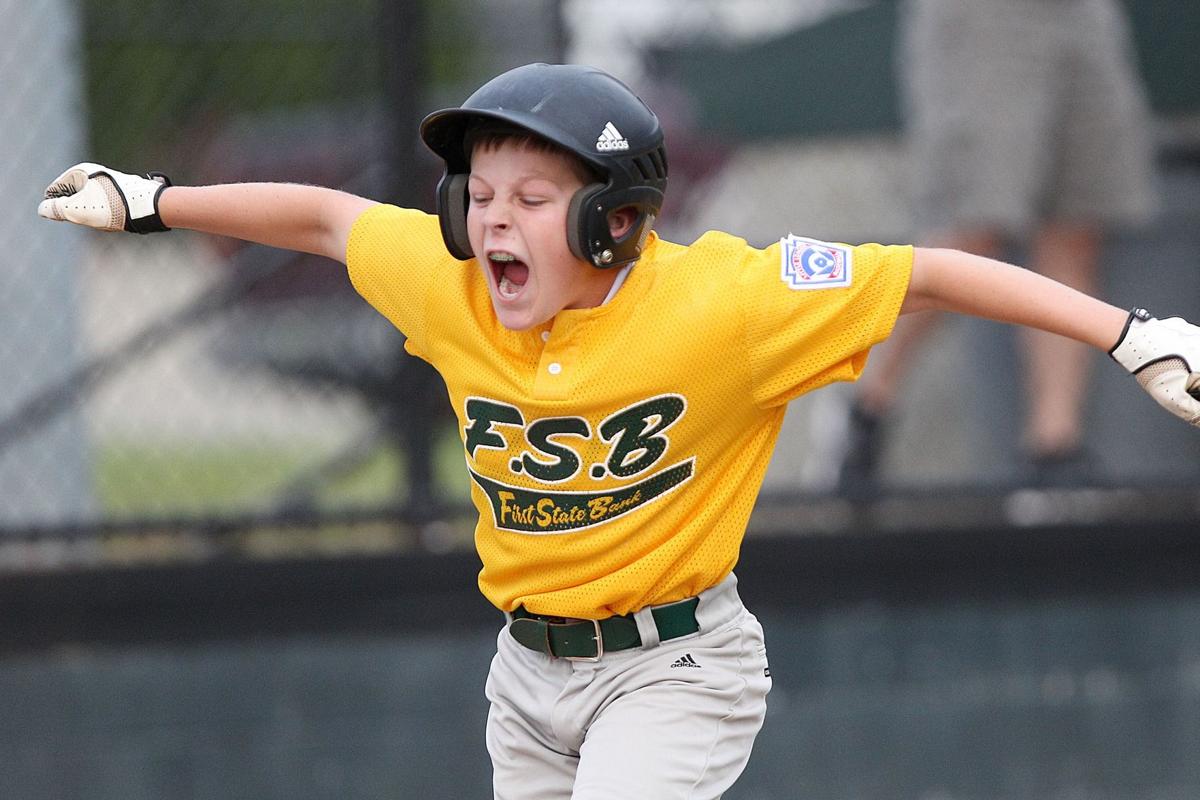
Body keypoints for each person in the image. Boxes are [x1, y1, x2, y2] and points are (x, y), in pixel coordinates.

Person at [37, 62, 1200, 799]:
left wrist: (1128, 330)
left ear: (614, 220)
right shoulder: (453, 283)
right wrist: (151, 202)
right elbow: (330, 219)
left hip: (676, 666)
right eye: (478, 196)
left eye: (531, 201)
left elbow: (935, 274)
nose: (491, 219)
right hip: (527, 676)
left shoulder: (725, 304)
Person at [838, 0, 1160, 490]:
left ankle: (1055, 445)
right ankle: (865, 403)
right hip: (984, 16)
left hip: (1084, 14)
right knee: (972, 228)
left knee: (1073, 225)